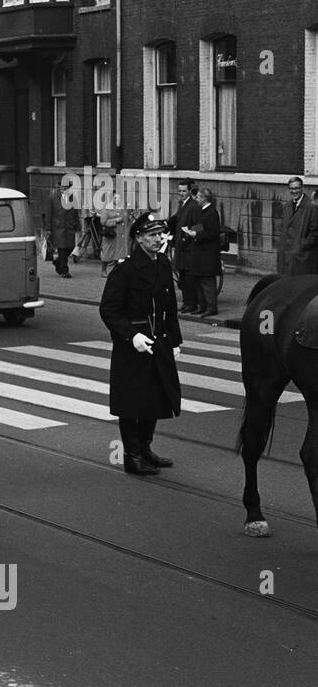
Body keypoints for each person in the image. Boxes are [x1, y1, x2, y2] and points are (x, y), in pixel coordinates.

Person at [100, 213, 182, 475]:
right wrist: (131, 336)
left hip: (159, 341)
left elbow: (169, 307)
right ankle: (132, 456)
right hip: (134, 345)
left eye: (160, 234)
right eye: (151, 235)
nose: (158, 239)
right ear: (138, 238)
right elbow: (109, 310)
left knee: (156, 398)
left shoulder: (163, 265)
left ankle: (146, 448)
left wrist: (175, 340)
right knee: (132, 402)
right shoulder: (125, 269)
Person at [180, 186, 222, 316]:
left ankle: (211, 307)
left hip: (207, 254)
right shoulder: (204, 211)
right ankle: (202, 306)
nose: (196, 199)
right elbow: (201, 226)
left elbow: (213, 232)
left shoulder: (211, 212)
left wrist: (195, 235)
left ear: (204, 198)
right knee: (199, 280)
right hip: (200, 253)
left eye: (198, 197)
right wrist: (191, 230)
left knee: (207, 281)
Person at [172, 179, 200, 312]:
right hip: (180, 247)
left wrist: (186, 238)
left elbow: (199, 226)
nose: (181, 193)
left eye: (184, 191)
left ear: (189, 191)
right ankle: (186, 302)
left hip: (188, 248)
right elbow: (177, 220)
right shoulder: (182, 204)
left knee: (189, 278)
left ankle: (191, 303)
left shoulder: (193, 206)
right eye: (179, 191)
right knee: (182, 277)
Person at [280, 177, 318, 275]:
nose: (294, 191)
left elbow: (315, 234)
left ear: (302, 188)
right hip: (286, 256)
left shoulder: (311, 207)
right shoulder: (287, 206)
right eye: (291, 189)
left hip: (302, 258)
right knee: (286, 285)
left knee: (299, 286)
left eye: (296, 188)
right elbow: (284, 228)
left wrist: (299, 246)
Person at [45, 183, 76, 278]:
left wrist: (76, 225)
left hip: (69, 228)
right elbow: (49, 214)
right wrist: (48, 228)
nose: (64, 189)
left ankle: (58, 262)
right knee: (62, 249)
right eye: (62, 187)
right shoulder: (53, 198)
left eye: (66, 187)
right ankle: (64, 271)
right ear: (59, 187)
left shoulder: (72, 198)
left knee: (70, 247)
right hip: (58, 228)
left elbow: (75, 212)